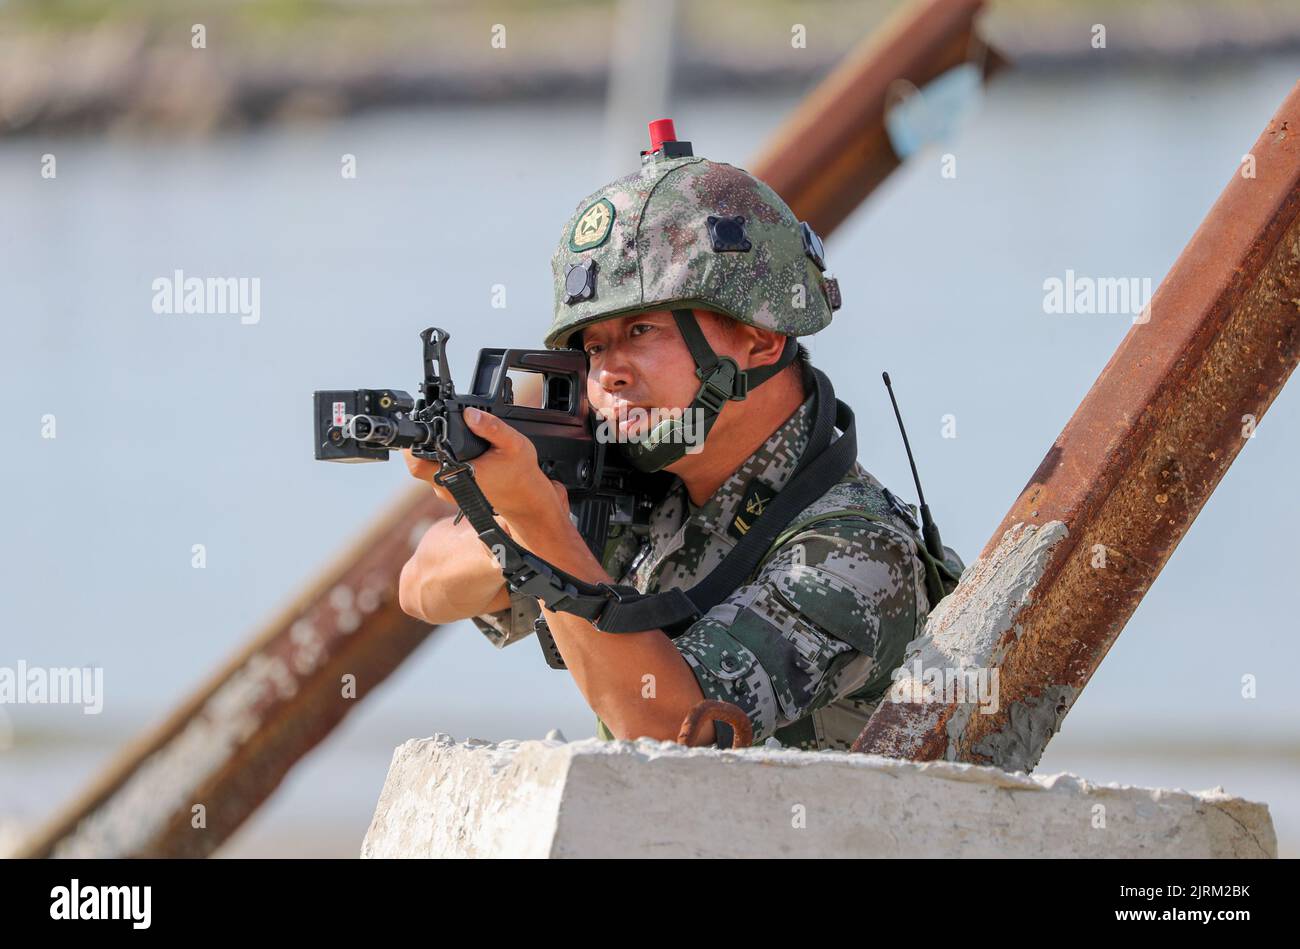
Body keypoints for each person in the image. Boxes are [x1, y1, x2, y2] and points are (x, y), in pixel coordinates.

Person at [398, 121, 963, 750]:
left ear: (760, 336)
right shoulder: (657, 486)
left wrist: (540, 523)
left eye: (642, 331)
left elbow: (678, 733)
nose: (608, 372)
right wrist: (520, 512)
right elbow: (421, 585)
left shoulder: (854, 552)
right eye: (594, 346)